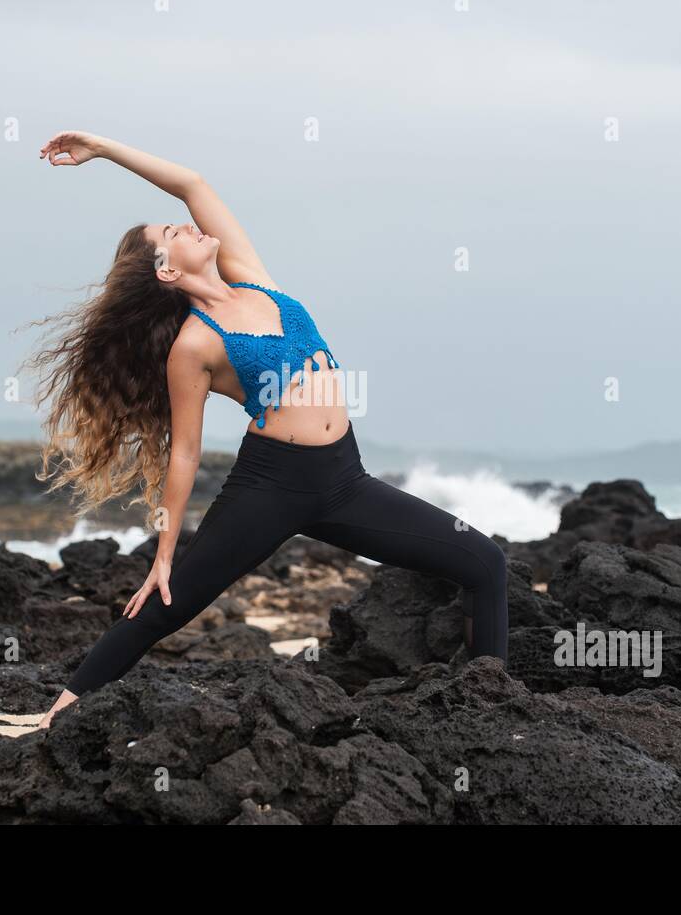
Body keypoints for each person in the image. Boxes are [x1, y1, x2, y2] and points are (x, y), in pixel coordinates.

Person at [26, 131, 508, 729]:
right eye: (173, 234)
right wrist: (165, 550)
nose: (187, 225)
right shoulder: (193, 346)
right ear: (167, 271)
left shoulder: (254, 279)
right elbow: (185, 455)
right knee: (165, 607)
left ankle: (493, 709)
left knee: (485, 564)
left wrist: (102, 148)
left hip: (345, 479)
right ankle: (58, 716)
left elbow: (192, 183)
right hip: (271, 487)